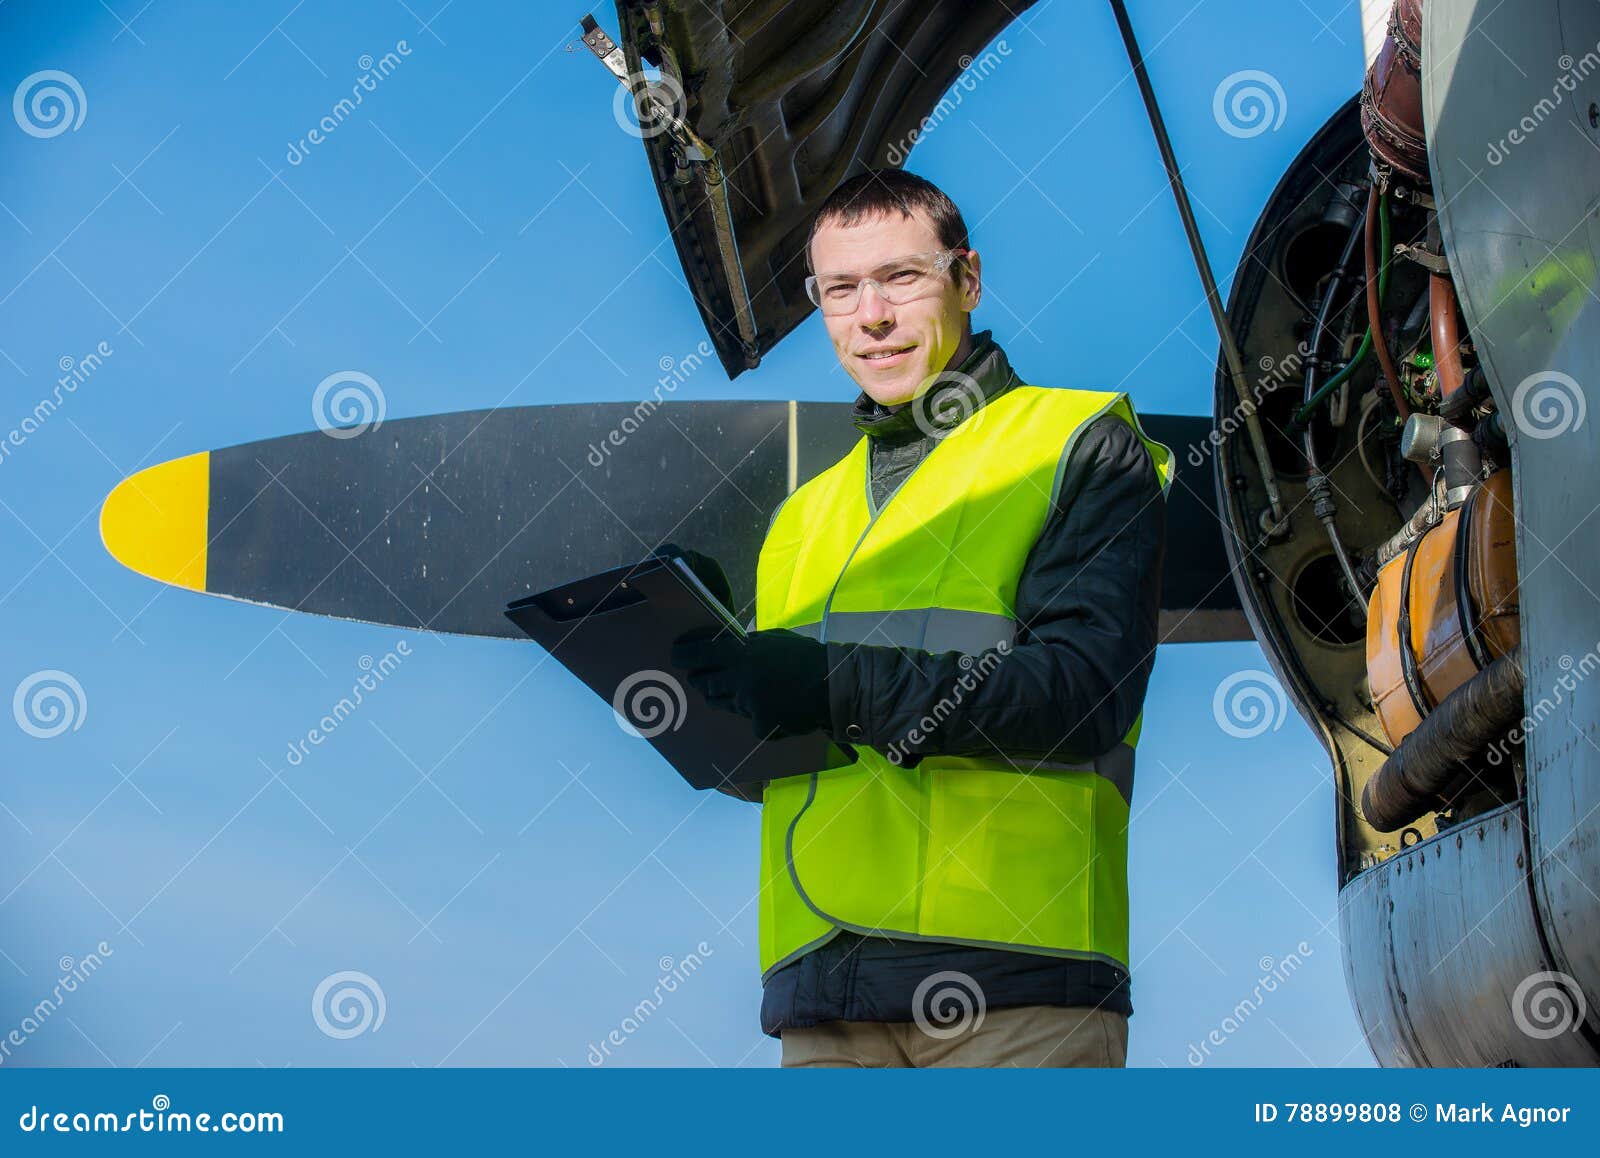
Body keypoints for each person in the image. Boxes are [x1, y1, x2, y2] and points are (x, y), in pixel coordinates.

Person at [671, 168, 1170, 1068]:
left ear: (967, 280)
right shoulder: (801, 518)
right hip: (821, 995)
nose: (872, 317)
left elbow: (1087, 690)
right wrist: (709, 695)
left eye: (901, 278)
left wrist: (829, 682)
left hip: (1017, 980)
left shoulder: (1077, 441)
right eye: (841, 290)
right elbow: (787, 764)